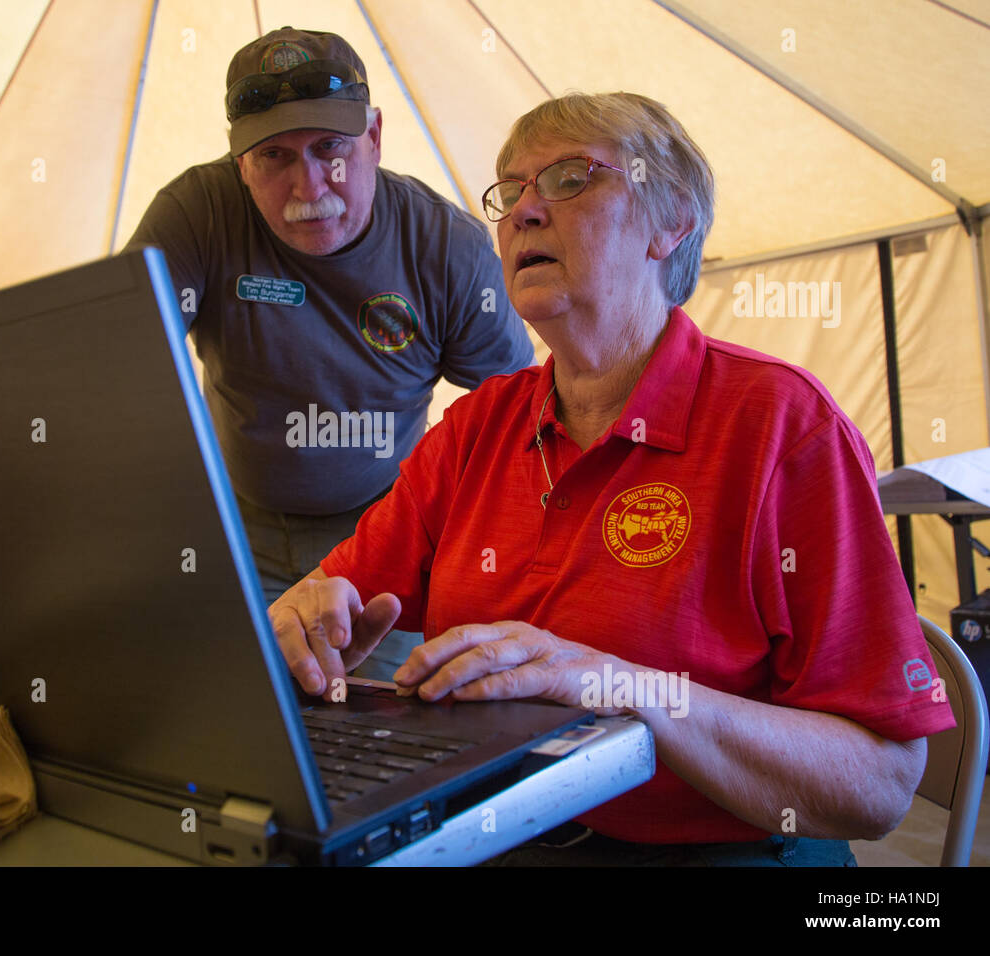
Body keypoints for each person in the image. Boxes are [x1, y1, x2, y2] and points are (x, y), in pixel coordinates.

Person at [267, 92, 955, 865]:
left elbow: (880, 784)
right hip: (495, 836)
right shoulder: (476, 428)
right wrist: (305, 616)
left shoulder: (783, 427)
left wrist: (619, 685)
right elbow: (339, 599)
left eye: (567, 179)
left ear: (672, 222)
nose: (524, 212)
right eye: (510, 192)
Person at [124, 28, 533, 680]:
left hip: (382, 539)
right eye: (273, 157)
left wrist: (458, 544)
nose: (307, 185)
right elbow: (116, 359)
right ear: (239, 163)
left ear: (373, 137)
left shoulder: (444, 246)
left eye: (330, 148)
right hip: (233, 530)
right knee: (240, 724)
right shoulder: (198, 213)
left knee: (375, 733)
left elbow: (519, 419)